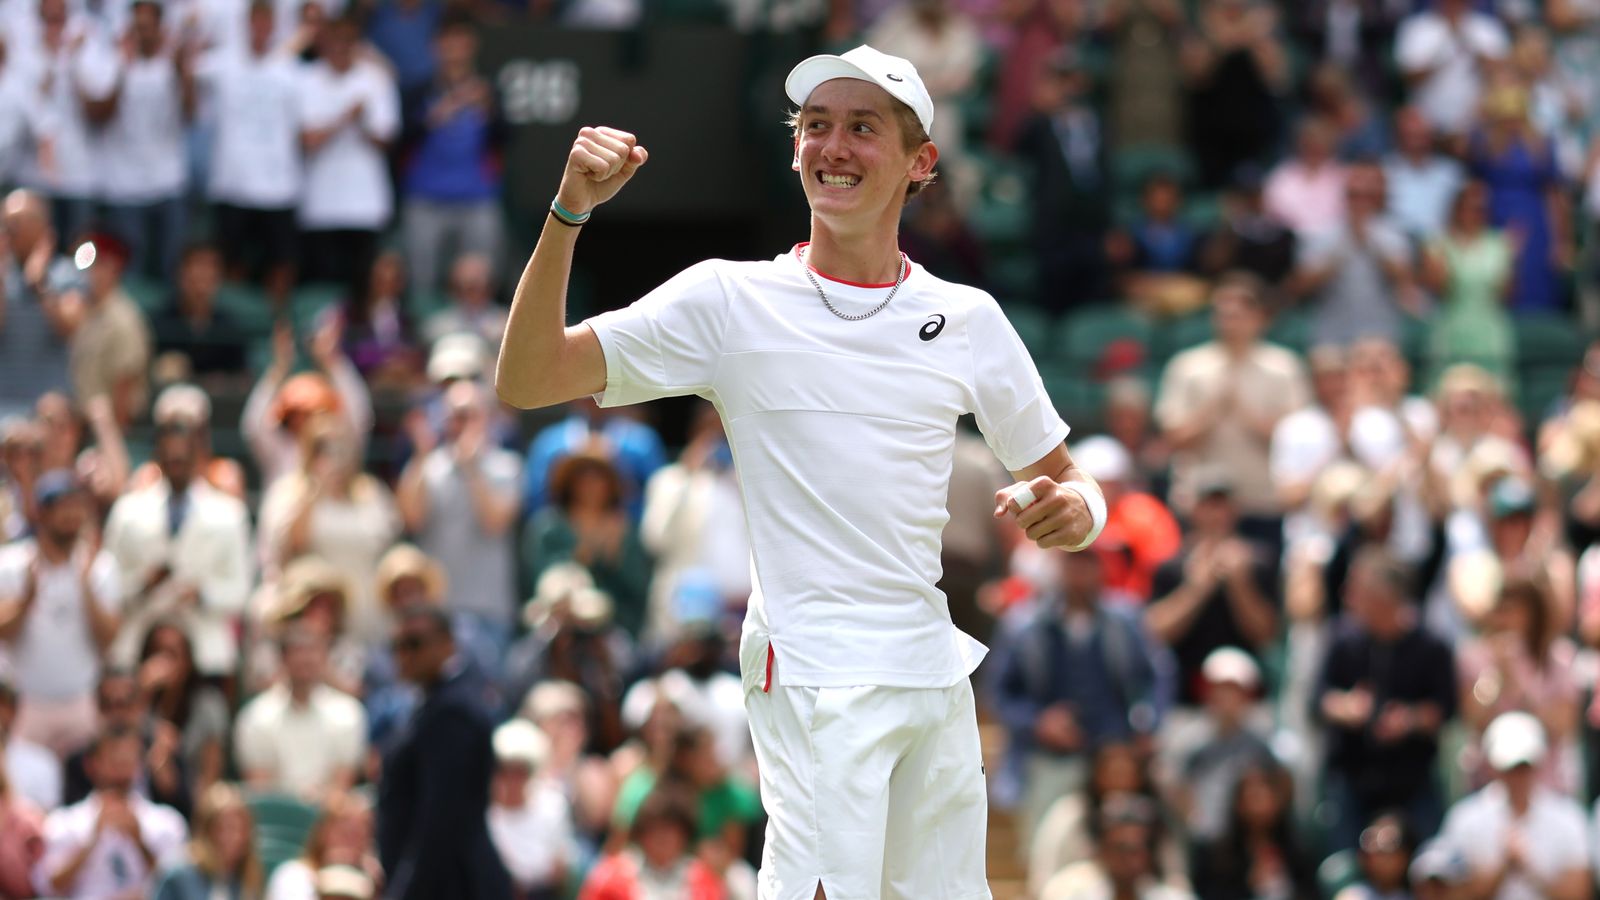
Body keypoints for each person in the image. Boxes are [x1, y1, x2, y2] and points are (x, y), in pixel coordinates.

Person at [495, 43, 1106, 900]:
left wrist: (1076, 512)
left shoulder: (968, 318)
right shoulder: (725, 299)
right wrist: (567, 213)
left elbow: (1073, 484)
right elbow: (527, 379)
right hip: (812, 669)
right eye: (816, 126)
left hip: (933, 672)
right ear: (795, 151)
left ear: (919, 163)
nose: (835, 147)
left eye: (863, 128)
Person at [995, 547, 1173, 838]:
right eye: (1072, 563)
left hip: (1116, 756)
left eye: (1088, 563)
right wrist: (1038, 721)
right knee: (1046, 839)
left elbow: (1159, 674)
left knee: (1130, 835)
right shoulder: (1023, 624)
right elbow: (1001, 694)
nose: (1080, 572)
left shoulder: (1125, 620)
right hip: (1051, 757)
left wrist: (1147, 723)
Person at [1316, 548, 1456, 852]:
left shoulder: (1431, 646)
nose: (1347, 595)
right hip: (1353, 777)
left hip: (1413, 780)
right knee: (1343, 871)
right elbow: (1317, 701)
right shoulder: (1342, 642)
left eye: (1358, 589)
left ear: (1385, 597)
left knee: (1429, 866)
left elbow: (1447, 708)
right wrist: (1346, 707)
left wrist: (1410, 719)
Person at [1154, 273, 1309, 532]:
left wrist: (1245, 413)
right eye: (1222, 314)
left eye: (1238, 315)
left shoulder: (1285, 368)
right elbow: (1172, 438)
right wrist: (1213, 410)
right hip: (1199, 503)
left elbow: (1297, 443)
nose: (1229, 323)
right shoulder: (1187, 367)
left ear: (1259, 317)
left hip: (1262, 502)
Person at [377, 605, 510, 899]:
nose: (404, 655)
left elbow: (441, 818)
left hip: (451, 886)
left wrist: (407, 892)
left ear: (448, 642)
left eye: (414, 644)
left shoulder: (453, 711)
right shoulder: (432, 700)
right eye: (396, 646)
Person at [102, 421, 253, 679]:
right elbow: (106, 584)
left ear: (198, 457)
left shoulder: (230, 514)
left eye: (183, 458)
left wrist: (202, 593)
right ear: (157, 458)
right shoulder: (127, 512)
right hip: (136, 648)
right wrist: (143, 585)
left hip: (206, 656)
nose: (176, 464)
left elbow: (241, 590)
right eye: (169, 458)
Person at [396, 378, 521, 670]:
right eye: (451, 416)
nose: (458, 424)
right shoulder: (427, 466)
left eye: (466, 415)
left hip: (489, 611)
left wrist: (471, 467)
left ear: (486, 418)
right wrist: (421, 455)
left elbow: (495, 522)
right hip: (438, 612)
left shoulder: (507, 466)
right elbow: (410, 519)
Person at [0, 470, 120, 757]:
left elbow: (109, 639)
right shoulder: (11, 564)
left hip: (81, 703)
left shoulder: (101, 567)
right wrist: (25, 600)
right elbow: (3, 632)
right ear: (41, 512)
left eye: (76, 505)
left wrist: (87, 588)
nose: (70, 514)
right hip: (25, 705)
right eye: (61, 506)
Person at [199, 0, 304, 303]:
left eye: (266, 22)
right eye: (255, 21)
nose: (260, 28)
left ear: (273, 25)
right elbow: (188, 75)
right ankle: (230, 319)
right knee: (231, 265)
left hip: (279, 187)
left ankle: (278, 330)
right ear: (247, 24)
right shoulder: (222, 62)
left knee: (281, 268)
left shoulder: (290, 68)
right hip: (232, 184)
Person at [1145, 477, 1281, 709]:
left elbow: (1267, 635)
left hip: (1247, 703)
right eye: (1209, 505)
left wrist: (1240, 584)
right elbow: (1155, 632)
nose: (1217, 514)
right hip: (1187, 702)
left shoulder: (1260, 562)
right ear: (1194, 510)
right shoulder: (1171, 566)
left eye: (1223, 505)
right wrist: (1197, 588)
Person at [399, 15, 504, 296]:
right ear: (436, 46)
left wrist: (490, 112)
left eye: (461, 42)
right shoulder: (418, 91)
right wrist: (438, 113)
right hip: (425, 198)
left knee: (482, 277)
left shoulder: (488, 91)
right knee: (421, 278)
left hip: (476, 198)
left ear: (472, 45)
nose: (455, 49)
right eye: (449, 42)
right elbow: (401, 138)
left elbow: (506, 139)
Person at [296, 14, 400, 294]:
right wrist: (345, 117)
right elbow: (307, 140)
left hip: (365, 206)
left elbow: (387, 140)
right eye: (335, 40)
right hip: (320, 206)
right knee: (321, 289)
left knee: (363, 289)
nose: (341, 47)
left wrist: (362, 122)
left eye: (348, 40)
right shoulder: (307, 78)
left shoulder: (376, 78)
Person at [1438, 711, 1591, 900]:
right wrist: (1504, 864)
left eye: (1524, 767)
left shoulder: (1569, 817)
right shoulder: (1464, 818)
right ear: (1493, 766)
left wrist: (1529, 865)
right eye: (1510, 768)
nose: (1517, 777)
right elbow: (1456, 893)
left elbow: (1578, 894)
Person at [96, 0, 194, 281]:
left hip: (168, 181)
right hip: (125, 185)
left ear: (160, 29)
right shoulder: (116, 63)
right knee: (130, 272)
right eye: (138, 27)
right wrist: (122, 71)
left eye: (148, 27)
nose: (143, 33)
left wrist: (182, 71)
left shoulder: (171, 66)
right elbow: (100, 115)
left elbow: (191, 112)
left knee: (172, 268)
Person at [33, 725, 188, 899]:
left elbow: (181, 887)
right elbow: (47, 886)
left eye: (128, 761)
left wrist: (141, 843)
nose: (121, 770)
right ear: (91, 765)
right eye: (114, 761)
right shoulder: (64, 822)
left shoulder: (167, 821)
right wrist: (91, 841)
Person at [234, 626, 366, 801]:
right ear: (282, 659)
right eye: (297, 651)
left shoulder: (349, 713)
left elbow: (342, 786)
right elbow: (259, 790)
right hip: (275, 818)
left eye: (311, 651)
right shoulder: (254, 716)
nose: (305, 659)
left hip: (331, 816)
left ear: (324, 657)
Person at [1422, 180, 1515, 388]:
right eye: (1469, 207)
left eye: (1480, 209)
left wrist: (1513, 258)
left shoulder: (1499, 245)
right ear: (1457, 209)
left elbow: (1508, 294)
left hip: (1489, 333)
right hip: (1451, 330)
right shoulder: (1438, 243)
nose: (1474, 214)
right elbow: (1438, 288)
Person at [0, 190, 78, 418]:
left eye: (17, 223)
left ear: (40, 226)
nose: (9, 230)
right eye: (6, 223)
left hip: (48, 412)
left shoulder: (67, 274)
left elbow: (70, 328)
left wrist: (40, 284)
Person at [580, 784, 729, 900]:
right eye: (657, 831)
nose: (664, 839)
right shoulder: (611, 875)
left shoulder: (704, 881)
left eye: (672, 832)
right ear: (643, 833)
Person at [65, 233, 153, 428]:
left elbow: (125, 383)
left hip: (111, 428)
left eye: (98, 265)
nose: (89, 273)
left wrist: (115, 436)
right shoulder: (90, 310)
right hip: (86, 425)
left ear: (114, 268)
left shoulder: (123, 317)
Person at [1039, 793, 1196, 900]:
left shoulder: (1174, 897)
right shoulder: (1068, 892)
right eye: (1121, 849)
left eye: (1136, 850)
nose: (1128, 859)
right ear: (1102, 851)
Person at [1394, 0, 1509, 140]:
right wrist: (1441, 53)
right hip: (1427, 128)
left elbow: (1503, 74)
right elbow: (1409, 78)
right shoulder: (1416, 27)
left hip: (1478, 127)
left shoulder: (1487, 26)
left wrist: (1468, 41)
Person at [487, 719, 572, 900]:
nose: (512, 780)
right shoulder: (483, 815)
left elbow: (560, 869)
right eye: (505, 770)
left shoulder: (552, 806)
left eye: (519, 771)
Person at [152, 783, 263, 900]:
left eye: (240, 829)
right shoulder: (178, 874)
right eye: (224, 828)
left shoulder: (248, 878)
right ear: (206, 831)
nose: (234, 837)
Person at [263, 791, 381, 900]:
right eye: (345, 833)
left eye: (359, 835)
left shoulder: (373, 878)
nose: (350, 842)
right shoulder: (292, 875)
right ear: (323, 832)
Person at [420, 252, 507, 349]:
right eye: (468, 287)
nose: (474, 292)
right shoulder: (438, 326)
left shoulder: (506, 322)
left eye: (478, 285)